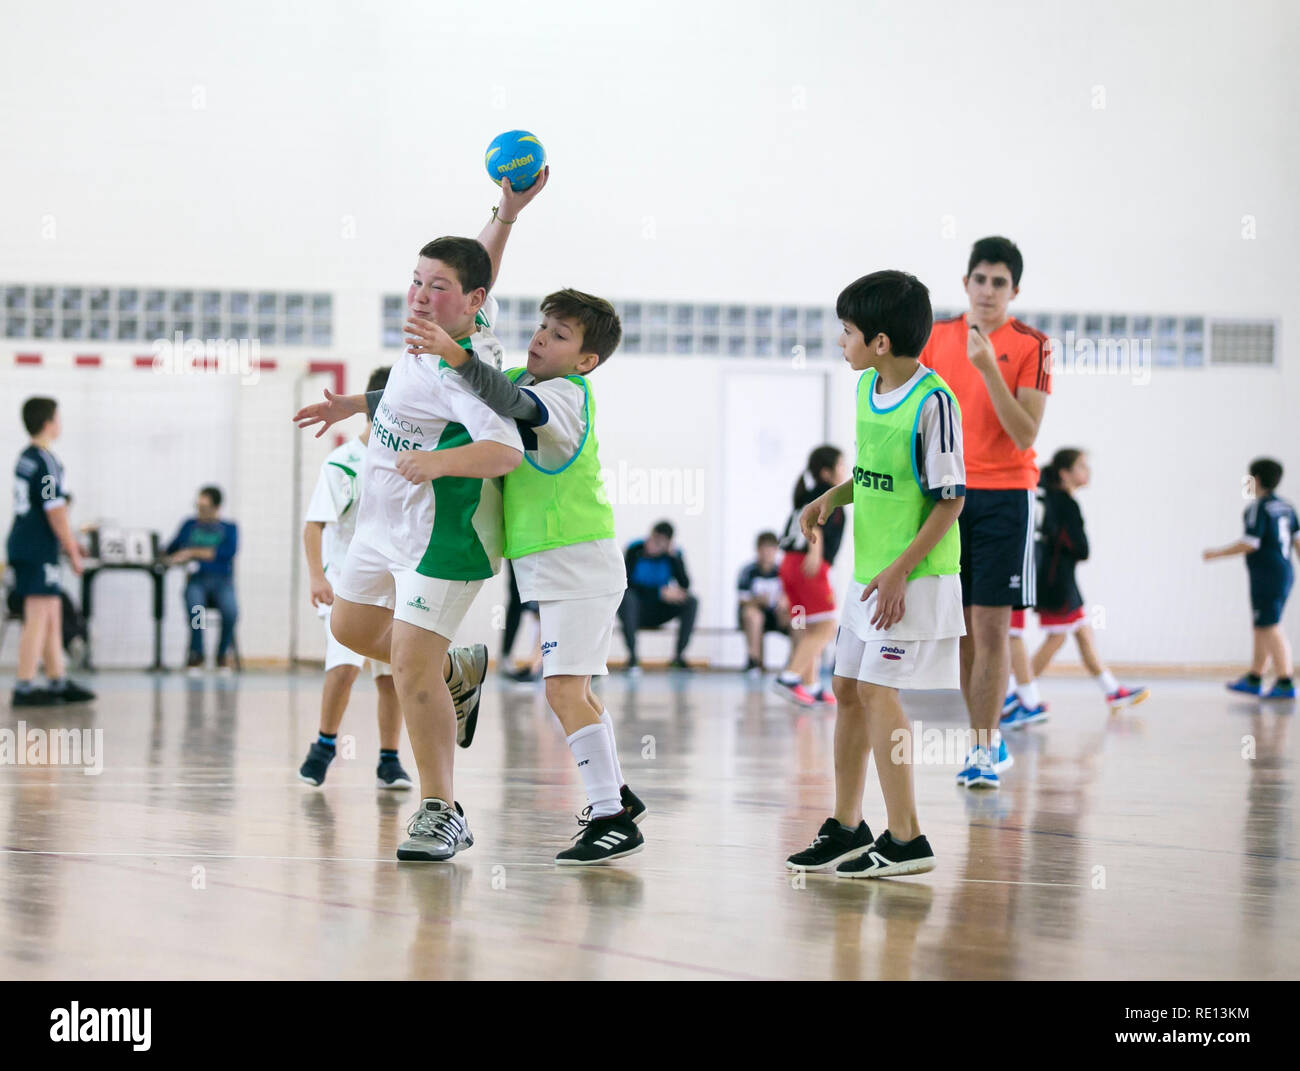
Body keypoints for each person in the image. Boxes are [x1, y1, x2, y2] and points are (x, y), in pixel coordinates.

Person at [291, 174, 544, 861]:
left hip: (442, 537)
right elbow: (475, 263)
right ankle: (457, 669)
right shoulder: (432, 330)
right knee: (348, 625)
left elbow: (506, 450)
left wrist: (437, 465)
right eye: (416, 280)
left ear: (473, 305)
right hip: (381, 524)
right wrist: (507, 213)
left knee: (407, 666)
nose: (421, 294)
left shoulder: (471, 362)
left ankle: (441, 810)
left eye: (437, 287)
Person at [427, 287, 648, 865]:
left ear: (586, 360)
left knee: (562, 689)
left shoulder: (566, 395)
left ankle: (611, 819)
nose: (541, 338)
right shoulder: (525, 376)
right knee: (580, 691)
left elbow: (510, 401)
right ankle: (616, 795)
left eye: (560, 334)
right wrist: (360, 404)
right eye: (542, 326)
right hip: (559, 563)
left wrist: (456, 351)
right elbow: (459, 392)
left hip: (578, 561)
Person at [786, 269, 965, 877]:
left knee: (878, 692)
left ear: (881, 342)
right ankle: (846, 826)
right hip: (870, 578)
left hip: (915, 578)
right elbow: (874, 476)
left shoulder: (934, 401)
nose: (842, 341)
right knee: (846, 690)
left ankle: (908, 838)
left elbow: (949, 498)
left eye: (849, 331)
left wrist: (898, 574)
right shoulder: (867, 391)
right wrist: (833, 499)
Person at [919, 236, 1051, 789]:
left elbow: (1025, 432)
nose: (989, 290)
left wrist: (987, 368)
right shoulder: (935, 337)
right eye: (981, 279)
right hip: (948, 494)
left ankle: (982, 747)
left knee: (993, 626)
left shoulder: (1032, 344)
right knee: (966, 632)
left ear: (1014, 290)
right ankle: (985, 742)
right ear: (966, 283)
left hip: (1004, 496)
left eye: (1000, 282)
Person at [297, 365, 414, 790]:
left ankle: (389, 760)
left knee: (391, 674)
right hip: (343, 582)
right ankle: (323, 747)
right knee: (345, 668)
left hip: (393, 585)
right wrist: (315, 577)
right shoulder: (342, 461)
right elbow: (314, 524)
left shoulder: (408, 460)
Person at [1001, 448, 1148, 727]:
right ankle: (1019, 693)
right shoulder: (1062, 504)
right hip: (1055, 582)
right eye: (1081, 466)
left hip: (1058, 580)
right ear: (1064, 473)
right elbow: (1080, 548)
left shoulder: (1051, 500)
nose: (1087, 471)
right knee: (1055, 637)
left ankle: (1111, 690)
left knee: (1081, 632)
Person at [6, 397, 94, 706]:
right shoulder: (45, 461)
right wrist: (71, 548)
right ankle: (24, 686)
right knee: (39, 614)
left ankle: (57, 680)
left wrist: (68, 541)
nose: (60, 423)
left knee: (53, 613)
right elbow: (54, 509)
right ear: (48, 423)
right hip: (36, 547)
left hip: (32, 543)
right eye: (58, 418)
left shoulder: (26, 458)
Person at [1204, 457, 1300, 699]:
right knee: (1261, 624)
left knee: (1270, 625)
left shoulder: (1257, 508)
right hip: (1285, 571)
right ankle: (1255, 676)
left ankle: (1285, 680)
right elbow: (1297, 541)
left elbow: (1251, 542)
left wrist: (1217, 553)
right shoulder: (1287, 507)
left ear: (1255, 479)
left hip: (1267, 574)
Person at [773, 445, 847, 705]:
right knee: (826, 626)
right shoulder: (826, 495)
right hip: (808, 565)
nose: (844, 470)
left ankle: (811, 685)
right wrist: (815, 550)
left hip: (790, 565)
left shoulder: (805, 495)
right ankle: (789, 677)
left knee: (809, 628)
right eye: (840, 465)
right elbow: (815, 521)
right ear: (826, 472)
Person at [164, 486, 239, 672]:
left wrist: (191, 552)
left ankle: (222, 655)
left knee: (231, 612)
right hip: (197, 581)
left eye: (204, 508)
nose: (200, 512)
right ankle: (197, 654)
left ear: (216, 507)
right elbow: (171, 548)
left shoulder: (229, 528)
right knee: (197, 612)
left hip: (222, 581)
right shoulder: (189, 525)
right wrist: (171, 557)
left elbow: (226, 553)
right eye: (198, 507)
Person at [618, 521, 697, 673]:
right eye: (654, 539)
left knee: (692, 601)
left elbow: (685, 585)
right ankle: (633, 657)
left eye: (661, 542)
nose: (655, 544)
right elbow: (626, 582)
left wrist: (674, 558)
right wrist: (658, 593)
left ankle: (678, 657)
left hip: (659, 610)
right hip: (637, 609)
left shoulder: (674, 555)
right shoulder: (635, 549)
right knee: (627, 598)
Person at [737, 531, 789, 675]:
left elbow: (794, 596)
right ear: (758, 550)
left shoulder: (782, 571)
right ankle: (754, 661)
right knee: (753, 615)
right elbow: (742, 599)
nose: (767, 553)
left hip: (777, 614)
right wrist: (757, 601)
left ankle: (796, 663)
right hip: (755, 614)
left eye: (771, 548)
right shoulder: (748, 571)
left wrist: (785, 601)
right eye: (764, 548)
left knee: (799, 615)